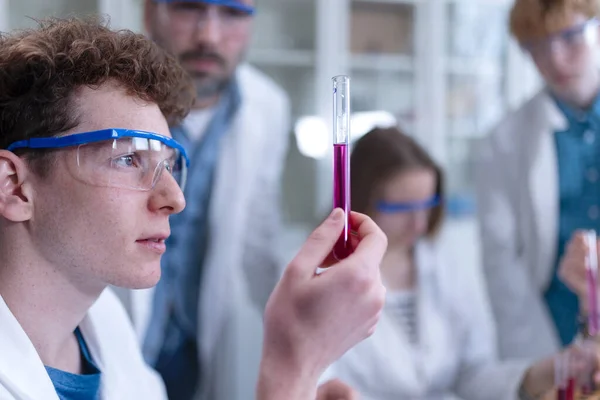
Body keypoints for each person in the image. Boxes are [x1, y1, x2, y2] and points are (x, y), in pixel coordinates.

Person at [0, 17, 386, 399]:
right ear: (15, 187)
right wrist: (291, 371)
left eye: (169, 165)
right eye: (128, 159)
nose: (176, 199)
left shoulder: (105, 332)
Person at [321, 127, 600, 400]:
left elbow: (473, 376)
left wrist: (547, 371)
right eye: (401, 208)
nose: (419, 223)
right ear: (357, 199)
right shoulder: (324, 278)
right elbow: (317, 382)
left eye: (426, 204)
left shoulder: (445, 267)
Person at [138, 1, 292, 397]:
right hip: (108, 330)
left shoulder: (267, 108)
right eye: (189, 8)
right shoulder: (105, 99)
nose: (209, 35)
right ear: (150, 12)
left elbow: (257, 244)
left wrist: (306, 349)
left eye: (233, 13)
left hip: (192, 346)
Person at [475, 0, 600, 359]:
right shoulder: (506, 140)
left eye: (571, 38)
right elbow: (501, 258)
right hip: (548, 326)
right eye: (538, 47)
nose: (556, 60)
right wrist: (529, 357)